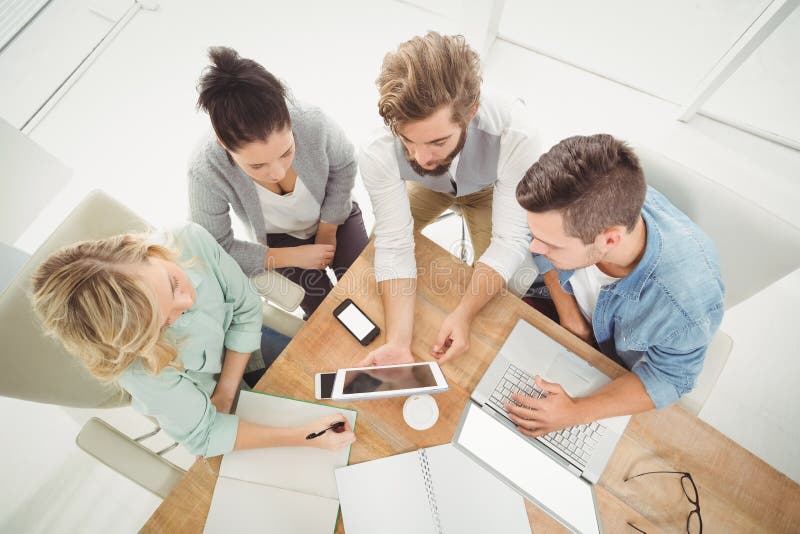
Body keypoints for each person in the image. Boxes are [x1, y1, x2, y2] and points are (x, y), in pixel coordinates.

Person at [30, 223, 355, 457]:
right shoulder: (138, 370)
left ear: (150, 251)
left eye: (173, 283)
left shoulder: (190, 240)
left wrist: (227, 391)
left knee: (340, 386)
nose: (186, 303)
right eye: (165, 320)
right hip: (202, 398)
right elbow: (204, 436)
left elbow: (244, 309)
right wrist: (302, 437)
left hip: (240, 346)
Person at [507, 134, 724, 437]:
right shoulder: (569, 207)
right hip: (566, 315)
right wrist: (570, 316)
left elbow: (670, 378)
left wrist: (576, 412)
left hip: (613, 364)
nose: (535, 248)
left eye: (551, 244)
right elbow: (542, 249)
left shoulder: (685, 302)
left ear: (609, 239)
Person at [359, 32, 540, 366]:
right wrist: (398, 343)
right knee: (375, 247)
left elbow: (510, 239)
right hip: (430, 188)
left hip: (491, 188)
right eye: (408, 141)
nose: (420, 157)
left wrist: (464, 314)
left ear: (471, 112)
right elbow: (394, 245)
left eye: (437, 142)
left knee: (511, 282)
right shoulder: (378, 150)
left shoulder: (518, 133)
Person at [189, 46, 368, 318]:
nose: (277, 173)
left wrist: (328, 228)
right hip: (281, 244)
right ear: (222, 141)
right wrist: (290, 258)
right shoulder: (206, 170)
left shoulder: (312, 123)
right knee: (326, 316)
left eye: (286, 153)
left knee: (366, 292)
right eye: (257, 165)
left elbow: (344, 166)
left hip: (336, 215)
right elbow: (216, 248)